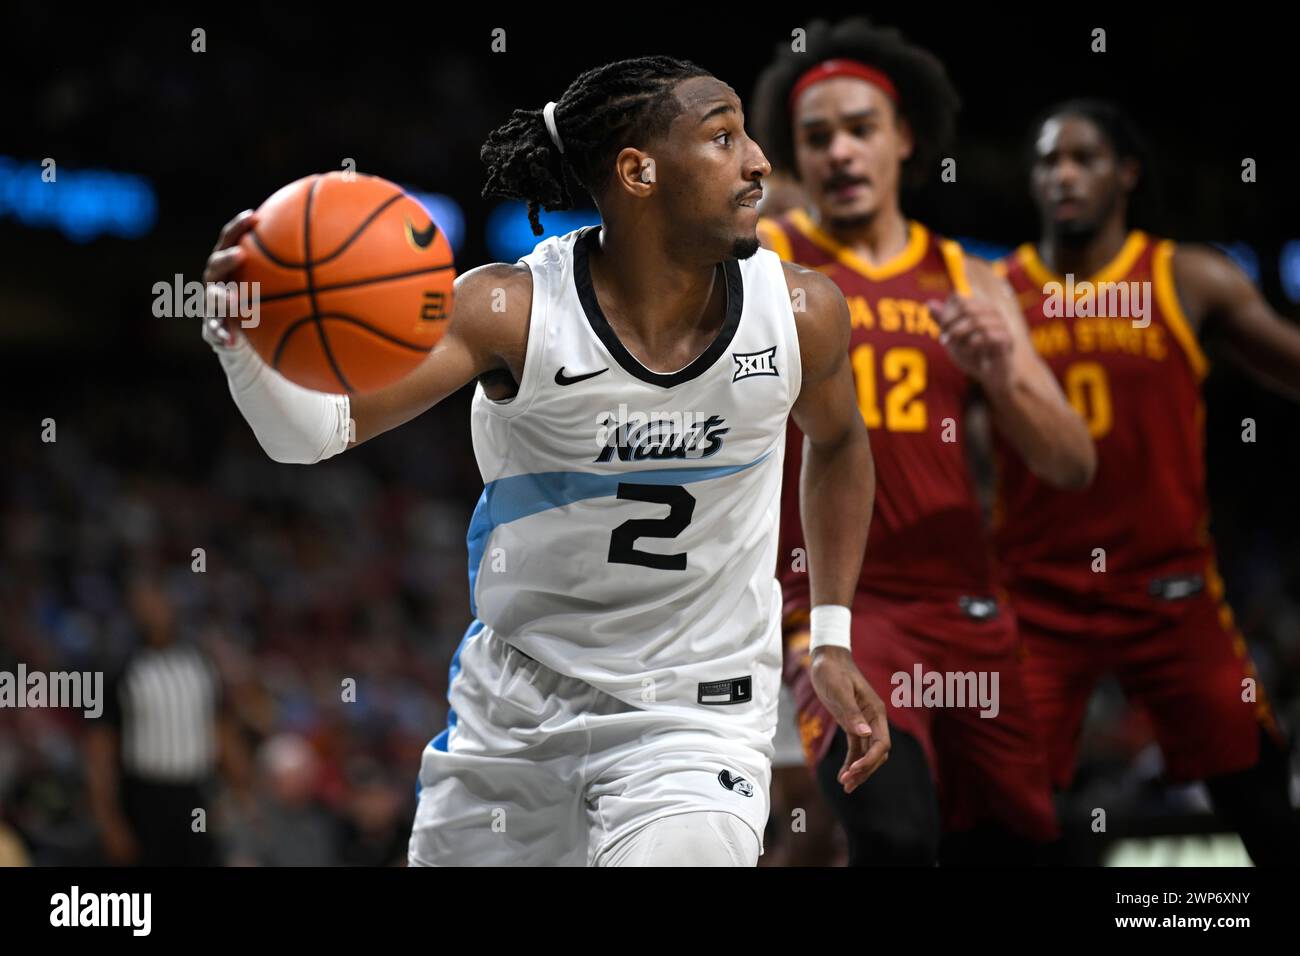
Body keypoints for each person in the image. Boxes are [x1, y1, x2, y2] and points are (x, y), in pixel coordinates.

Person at [201, 56, 888, 866]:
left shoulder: (802, 313)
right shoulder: (510, 313)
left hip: (695, 718)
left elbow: (840, 442)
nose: (760, 160)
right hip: (515, 713)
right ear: (639, 171)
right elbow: (312, 435)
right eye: (723, 137)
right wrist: (239, 344)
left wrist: (833, 632)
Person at [751, 18, 1096, 865]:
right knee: (892, 835)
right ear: (795, 156)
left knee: (1019, 848)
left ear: (903, 139)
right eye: (816, 137)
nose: (839, 153)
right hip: (834, 611)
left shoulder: (967, 278)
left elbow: (1071, 463)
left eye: (860, 130)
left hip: (968, 611)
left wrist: (1005, 370)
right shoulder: (766, 259)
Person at [992, 99, 1300, 864]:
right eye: (1047, 161)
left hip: (1171, 591)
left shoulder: (1185, 278)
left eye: (1083, 158)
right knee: (995, 815)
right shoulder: (995, 291)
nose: (1062, 175)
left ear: (1125, 172)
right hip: (1037, 594)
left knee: (1259, 800)